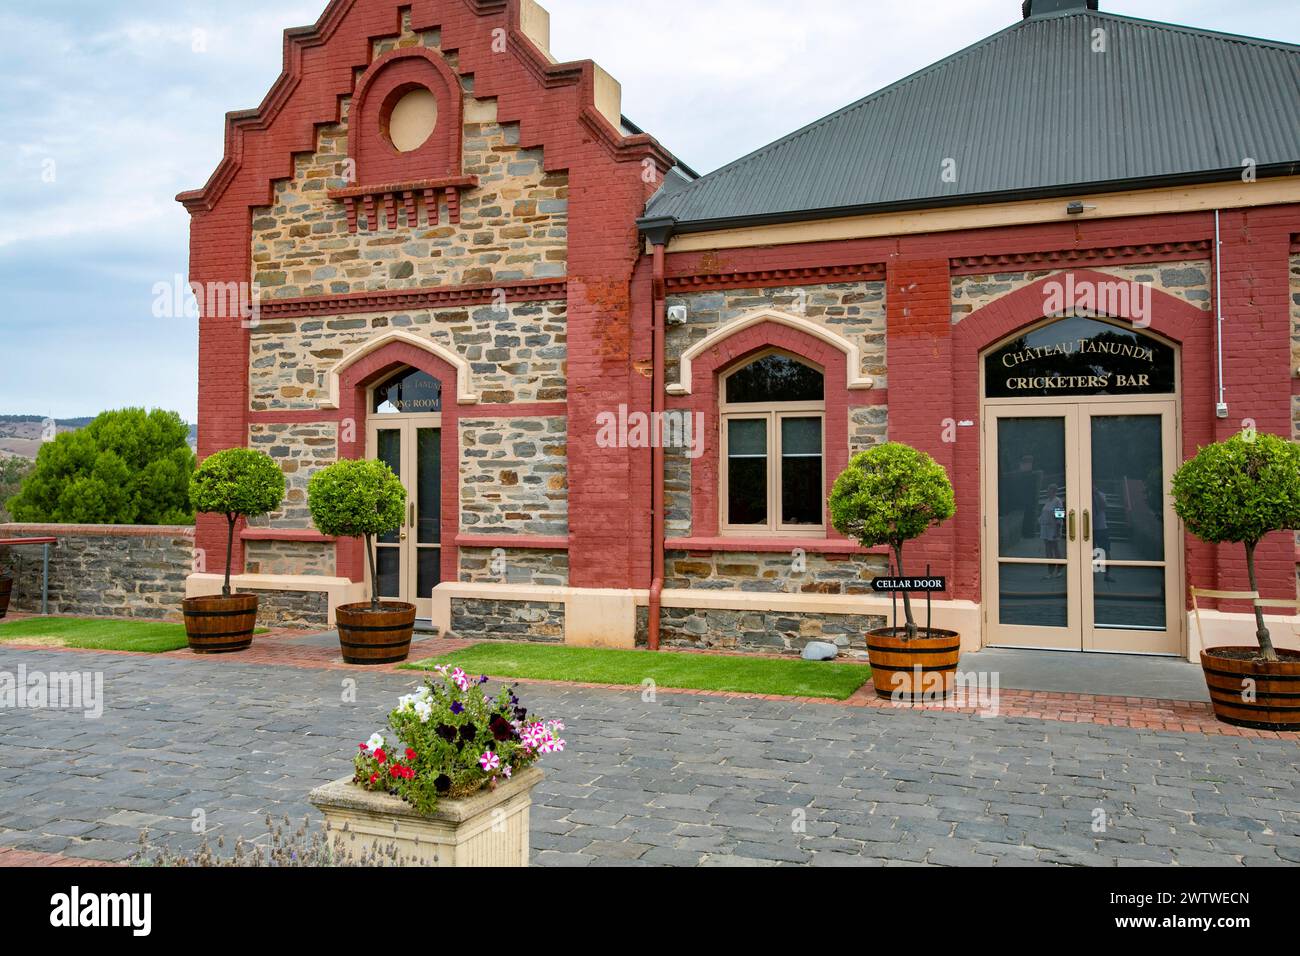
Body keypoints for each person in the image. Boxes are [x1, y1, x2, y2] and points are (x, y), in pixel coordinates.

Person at [1039, 485, 1064, 577]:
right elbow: (1043, 514)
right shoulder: (1047, 501)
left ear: (1054, 491)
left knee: (1055, 548)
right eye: (1047, 490)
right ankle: (1050, 570)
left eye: (1049, 491)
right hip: (1045, 528)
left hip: (1054, 528)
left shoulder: (1058, 501)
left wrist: (1057, 530)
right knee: (1048, 550)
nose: (1047, 492)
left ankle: (1059, 569)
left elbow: (1060, 516)